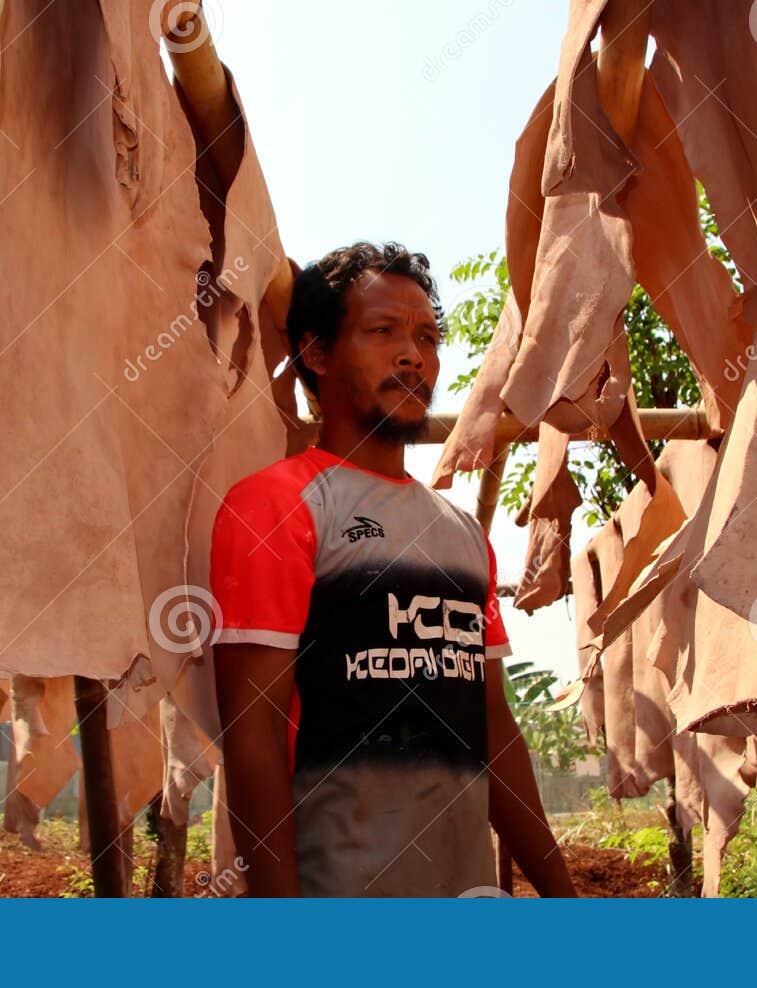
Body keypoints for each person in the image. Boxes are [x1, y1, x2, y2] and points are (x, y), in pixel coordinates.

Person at [209, 241, 575, 897]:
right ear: (317, 353)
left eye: (428, 337)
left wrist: (564, 901)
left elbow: (495, 729)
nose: (413, 355)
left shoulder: (462, 536)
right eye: (383, 332)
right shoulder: (274, 506)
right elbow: (252, 730)